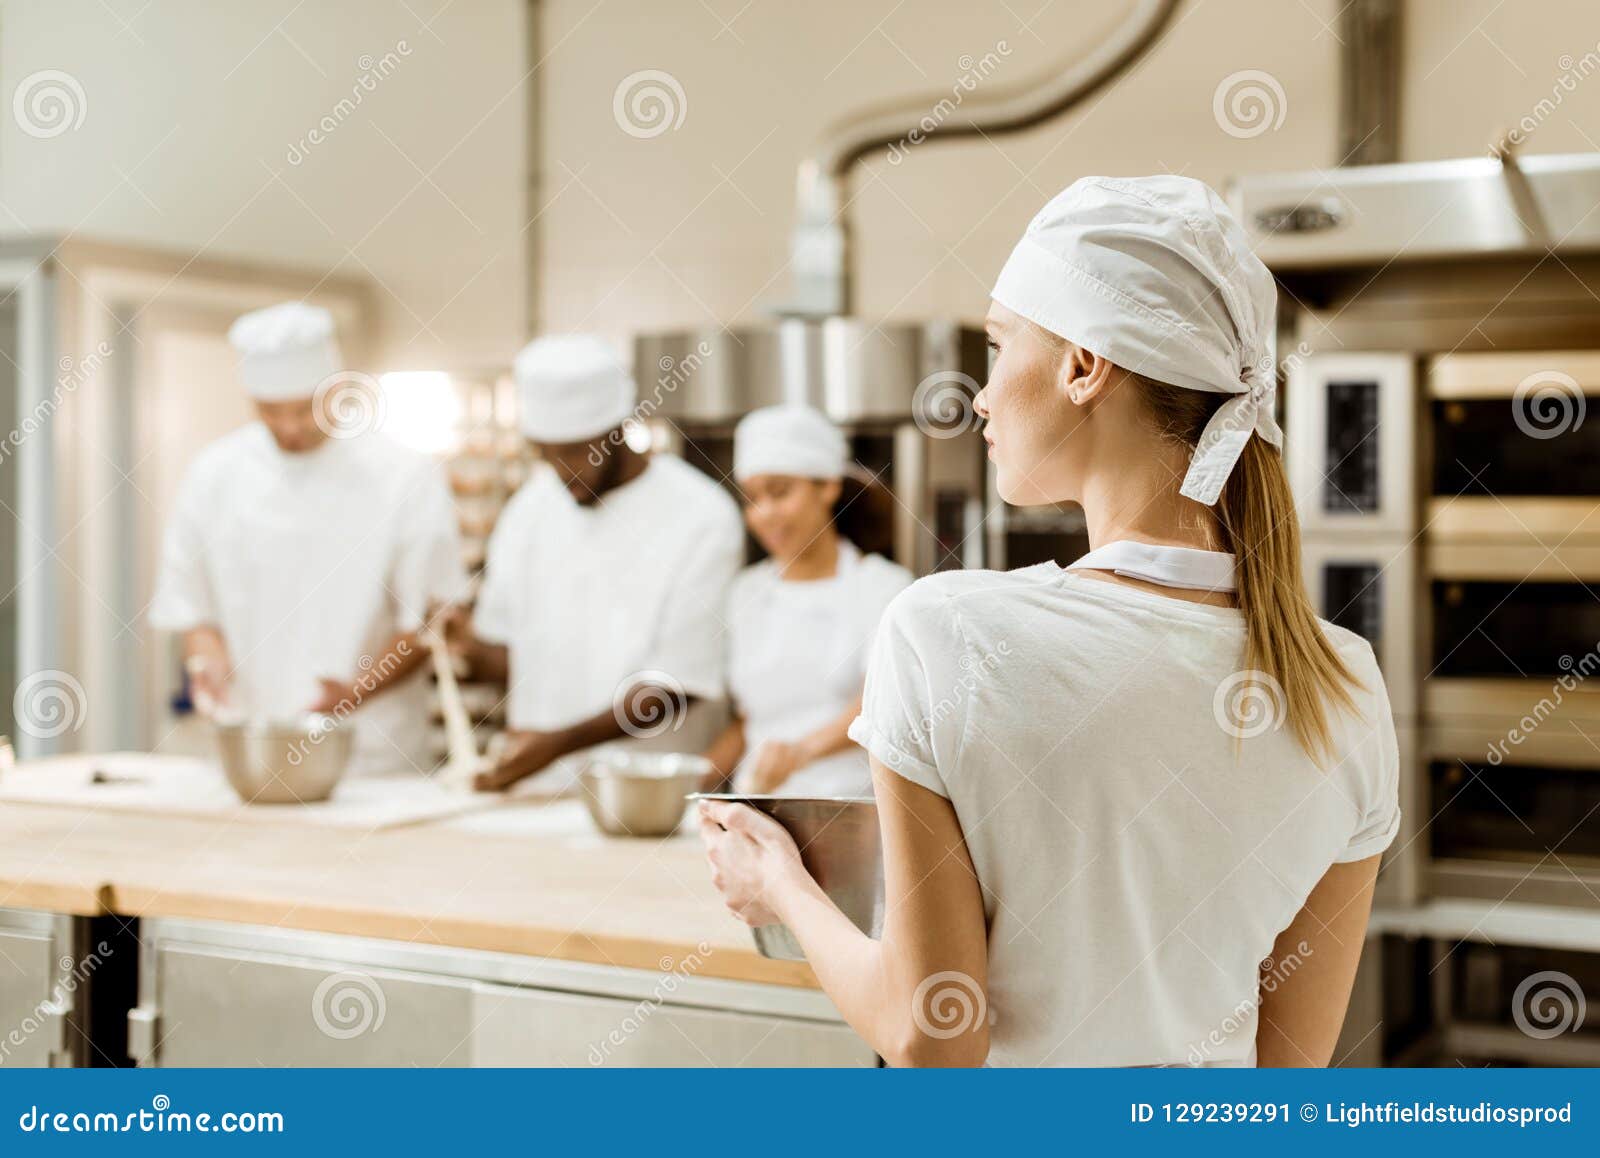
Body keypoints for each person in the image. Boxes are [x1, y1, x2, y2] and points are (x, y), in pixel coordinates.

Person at [700, 176, 1401, 1068]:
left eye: (999, 346)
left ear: (1083, 365)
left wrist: (780, 884)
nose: (983, 397)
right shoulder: (1343, 683)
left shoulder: (945, 630)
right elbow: (1289, 1073)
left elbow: (934, 1039)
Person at [149, 301, 467, 778]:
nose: (290, 427)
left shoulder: (404, 476)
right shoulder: (215, 474)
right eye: (270, 412)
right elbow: (192, 606)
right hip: (254, 745)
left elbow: (430, 622)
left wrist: (353, 694)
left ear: (337, 389)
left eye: (304, 410)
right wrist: (205, 661)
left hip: (374, 755)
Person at [446, 334, 744, 793]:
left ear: (619, 429)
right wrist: (465, 646)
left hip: (648, 804)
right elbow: (515, 657)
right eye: (544, 452)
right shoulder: (530, 510)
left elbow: (677, 686)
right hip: (536, 796)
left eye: (573, 451)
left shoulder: (701, 515)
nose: (559, 470)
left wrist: (557, 745)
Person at [701, 405, 911, 797]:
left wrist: (798, 754)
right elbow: (751, 720)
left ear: (828, 486)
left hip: (852, 805)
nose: (764, 513)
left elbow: (882, 706)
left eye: (780, 492)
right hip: (758, 800)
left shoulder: (884, 587)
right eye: (752, 498)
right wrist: (697, 778)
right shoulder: (746, 591)